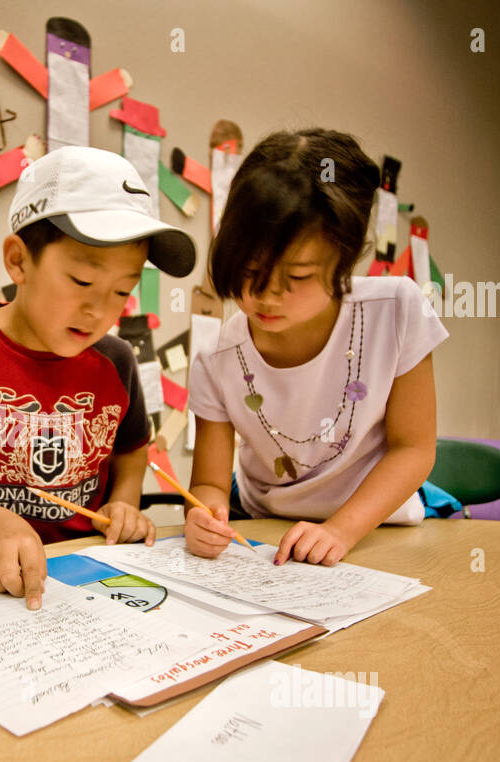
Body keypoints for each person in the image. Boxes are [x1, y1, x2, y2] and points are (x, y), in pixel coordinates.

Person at [0, 146, 197, 609]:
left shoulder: (117, 360)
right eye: (82, 281)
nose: (99, 310)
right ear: (18, 260)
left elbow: (131, 450)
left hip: (89, 574)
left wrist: (124, 503)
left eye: (122, 291)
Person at [185, 129, 448, 565]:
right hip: (264, 529)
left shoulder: (396, 310)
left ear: (345, 257)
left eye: (298, 276)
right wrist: (203, 514)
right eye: (250, 269)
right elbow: (209, 485)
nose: (267, 295)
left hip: (378, 528)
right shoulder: (216, 355)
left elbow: (413, 448)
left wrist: (340, 531)